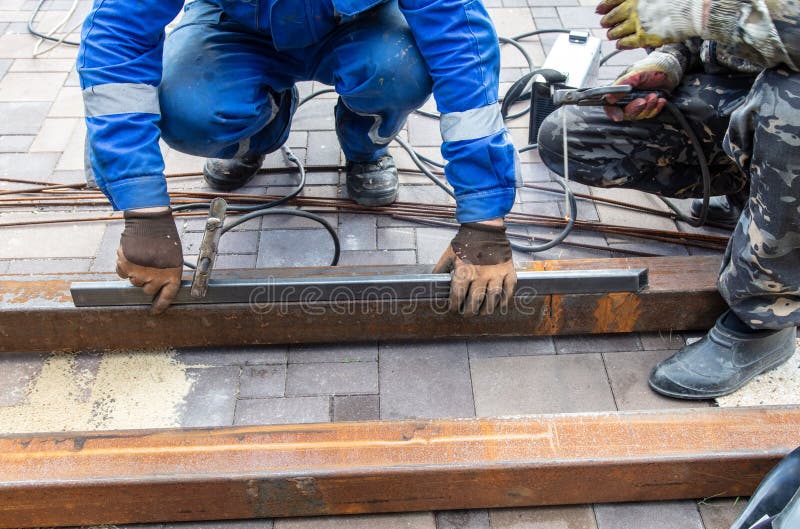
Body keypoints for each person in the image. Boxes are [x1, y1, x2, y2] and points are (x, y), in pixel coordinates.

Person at [77, 0, 520, 316]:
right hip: (235, 25)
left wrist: (484, 218)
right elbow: (118, 40)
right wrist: (144, 209)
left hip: (360, 24)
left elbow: (460, 44)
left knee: (400, 71)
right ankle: (259, 129)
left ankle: (364, 148)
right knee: (190, 111)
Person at [537, 0, 800, 399]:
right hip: (749, 94)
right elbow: (710, 39)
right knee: (568, 136)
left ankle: (765, 318)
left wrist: (698, 14)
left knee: (790, 103)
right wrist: (670, 60)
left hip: (786, 102)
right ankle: (754, 198)